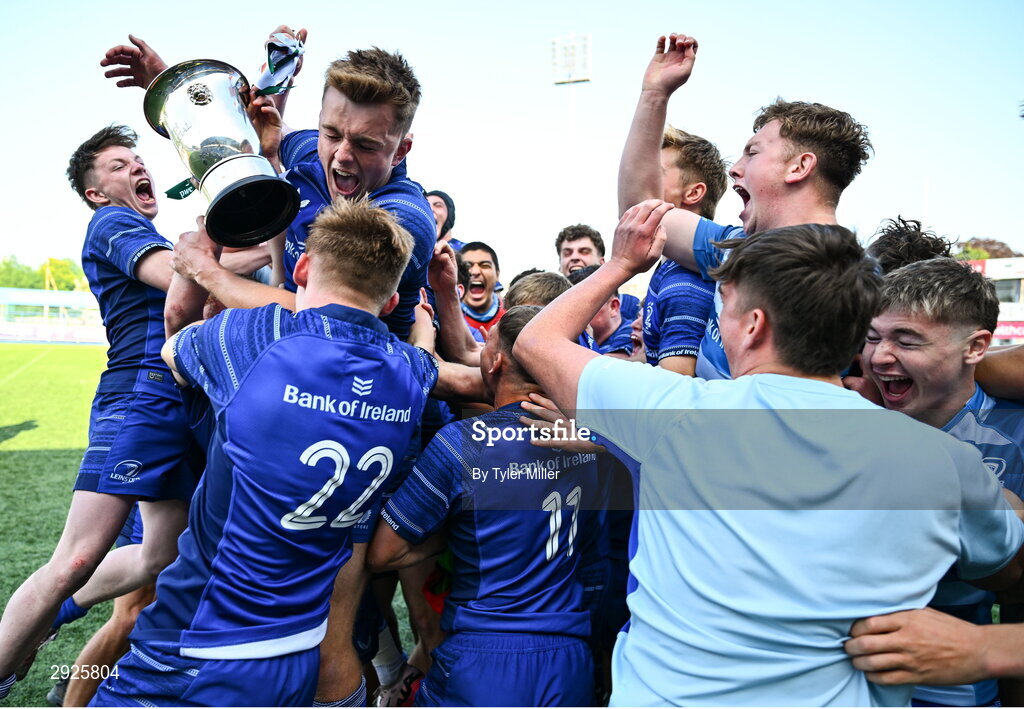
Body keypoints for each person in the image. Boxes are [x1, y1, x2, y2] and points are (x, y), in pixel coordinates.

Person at [513, 200, 1024, 706]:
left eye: (724, 310)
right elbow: (1006, 566)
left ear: (753, 324)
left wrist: (621, 264)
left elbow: (536, 340)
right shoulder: (945, 463)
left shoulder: (669, 411)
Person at [90, 198, 438, 708]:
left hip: (196, 649)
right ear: (389, 304)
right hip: (298, 656)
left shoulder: (257, 334)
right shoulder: (412, 371)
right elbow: (424, 356)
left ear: (300, 268)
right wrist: (425, 323)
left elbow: (173, 349)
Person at [0, 126, 202, 702]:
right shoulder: (113, 224)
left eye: (139, 160)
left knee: (161, 554)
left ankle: (55, 608)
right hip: (139, 396)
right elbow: (176, 279)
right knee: (78, 556)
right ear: (96, 192)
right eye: (119, 164)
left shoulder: (143, 227)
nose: (138, 168)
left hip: (174, 402)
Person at [368, 306, 599, 706]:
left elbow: (384, 553)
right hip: (571, 657)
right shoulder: (597, 442)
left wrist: (455, 533)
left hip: (484, 657)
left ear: (495, 363)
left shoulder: (460, 444)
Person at [619, 34, 872, 380]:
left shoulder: (861, 279)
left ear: (799, 167)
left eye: (752, 152)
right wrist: (654, 95)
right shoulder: (730, 245)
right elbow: (641, 212)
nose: (734, 168)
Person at [852, 258, 1024, 706]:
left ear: (976, 348)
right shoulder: (843, 410)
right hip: (842, 677)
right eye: (872, 338)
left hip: (958, 684)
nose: (880, 357)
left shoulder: (1014, 433)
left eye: (906, 341)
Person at [641, 127, 724, 375]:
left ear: (693, 193)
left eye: (657, 173)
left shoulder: (686, 281)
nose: (644, 179)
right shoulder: (671, 265)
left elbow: (675, 389)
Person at [556, 225, 640, 323]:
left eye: (584, 252)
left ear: (602, 263)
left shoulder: (630, 306)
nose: (574, 257)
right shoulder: (549, 309)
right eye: (567, 253)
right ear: (560, 266)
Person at [567, 266, 632, 359]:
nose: (571, 311)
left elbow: (603, 368)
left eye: (581, 304)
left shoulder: (633, 335)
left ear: (613, 307)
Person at [460, 241, 505, 335]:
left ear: (497, 274)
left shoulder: (509, 314)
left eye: (485, 265)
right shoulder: (444, 316)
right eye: (467, 266)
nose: (475, 272)